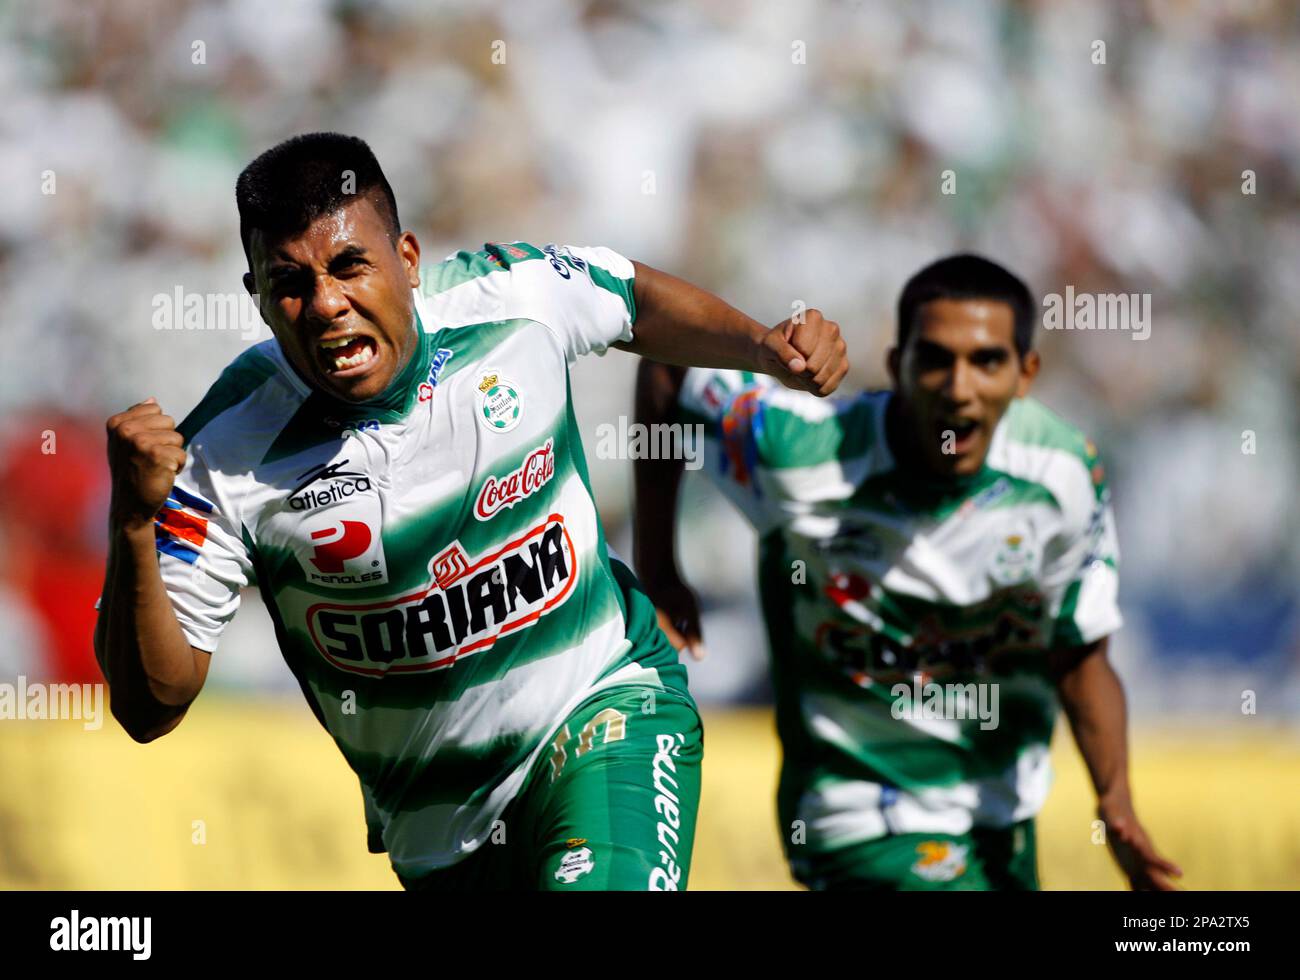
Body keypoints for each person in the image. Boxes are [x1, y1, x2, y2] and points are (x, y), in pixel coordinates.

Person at [94, 131, 847, 891]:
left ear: (409, 260)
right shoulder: (220, 452)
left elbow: (634, 300)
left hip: (602, 712)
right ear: (257, 297)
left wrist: (763, 345)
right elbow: (148, 709)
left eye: (350, 265)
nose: (325, 304)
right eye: (289, 282)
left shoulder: (508, 297)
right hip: (441, 834)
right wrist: (131, 523)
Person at [633, 253, 1180, 890]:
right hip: (853, 815)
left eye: (987, 361)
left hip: (998, 820)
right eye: (936, 359)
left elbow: (1080, 655)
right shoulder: (804, 451)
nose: (959, 387)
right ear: (897, 367)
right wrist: (658, 569)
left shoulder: (1060, 478)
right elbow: (670, 367)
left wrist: (1115, 799)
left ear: (1026, 373)